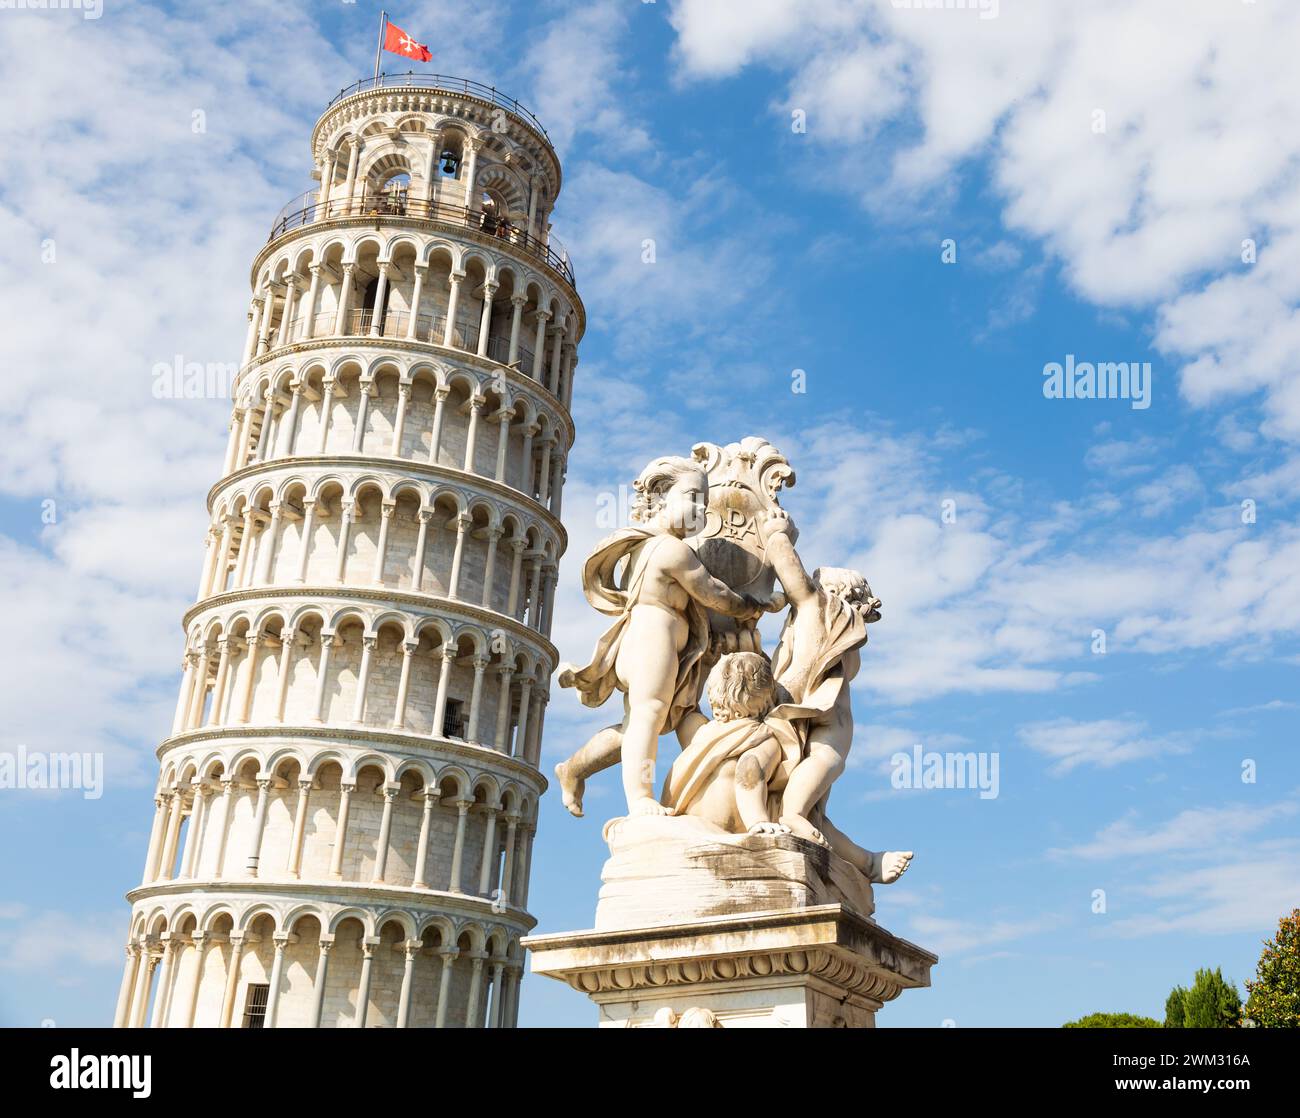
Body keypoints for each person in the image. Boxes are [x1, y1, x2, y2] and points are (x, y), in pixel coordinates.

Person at [556, 457, 763, 817]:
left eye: (704, 500)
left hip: (664, 641)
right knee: (648, 715)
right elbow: (713, 593)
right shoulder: (670, 549)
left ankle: (574, 767)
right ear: (663, 496)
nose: (701, 508)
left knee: (645, 720)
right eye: (693, 497)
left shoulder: (649, 545)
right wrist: (750, 607)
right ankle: (640, 799)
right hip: (653, 638)